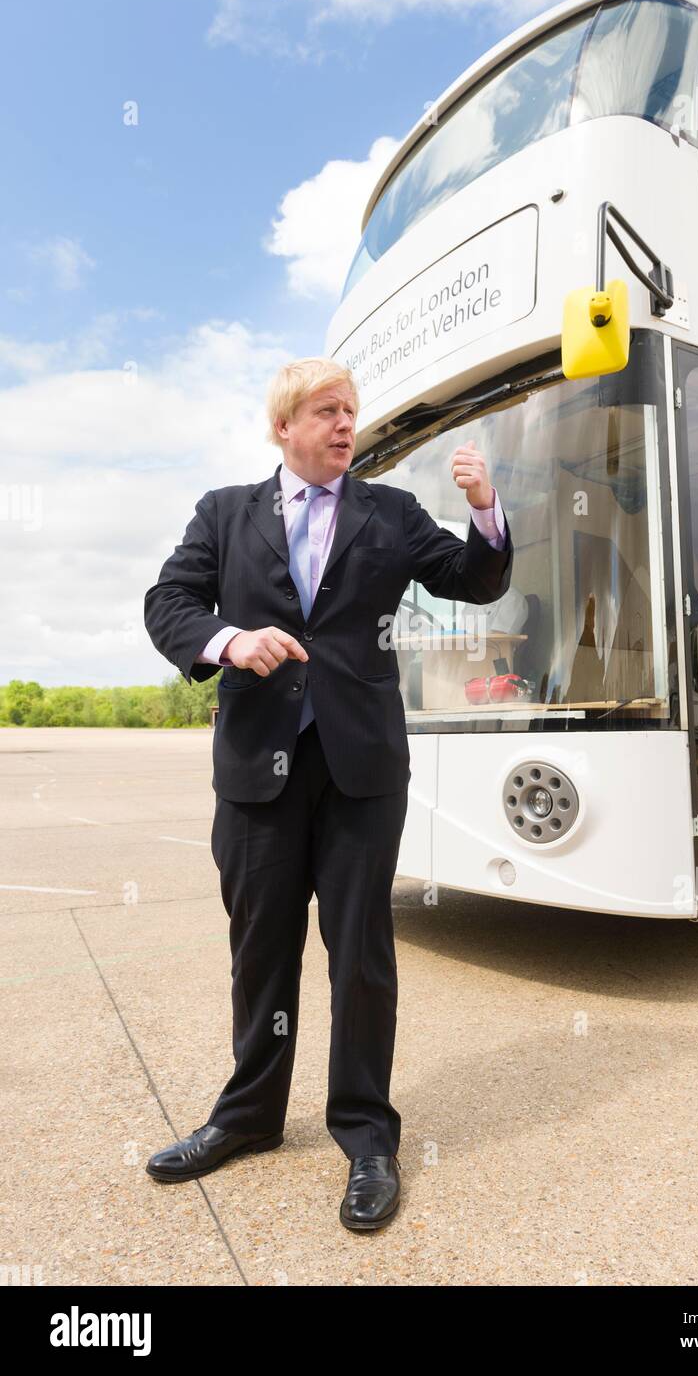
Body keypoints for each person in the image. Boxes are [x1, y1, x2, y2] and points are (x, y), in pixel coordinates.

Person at [142, 356, 513, 1230]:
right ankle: (248, 1119)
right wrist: (230, 641)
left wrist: (486, 511)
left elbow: (475, 580)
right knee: (260, 950)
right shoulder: (223, 512)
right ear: (283, 426)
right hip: (256, 769)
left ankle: (366, 1133)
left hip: (361, 773)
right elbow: (168, 602)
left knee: (361, 956)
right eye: (326, 411)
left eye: (351, 410)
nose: (346, 424)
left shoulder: (391, 511)